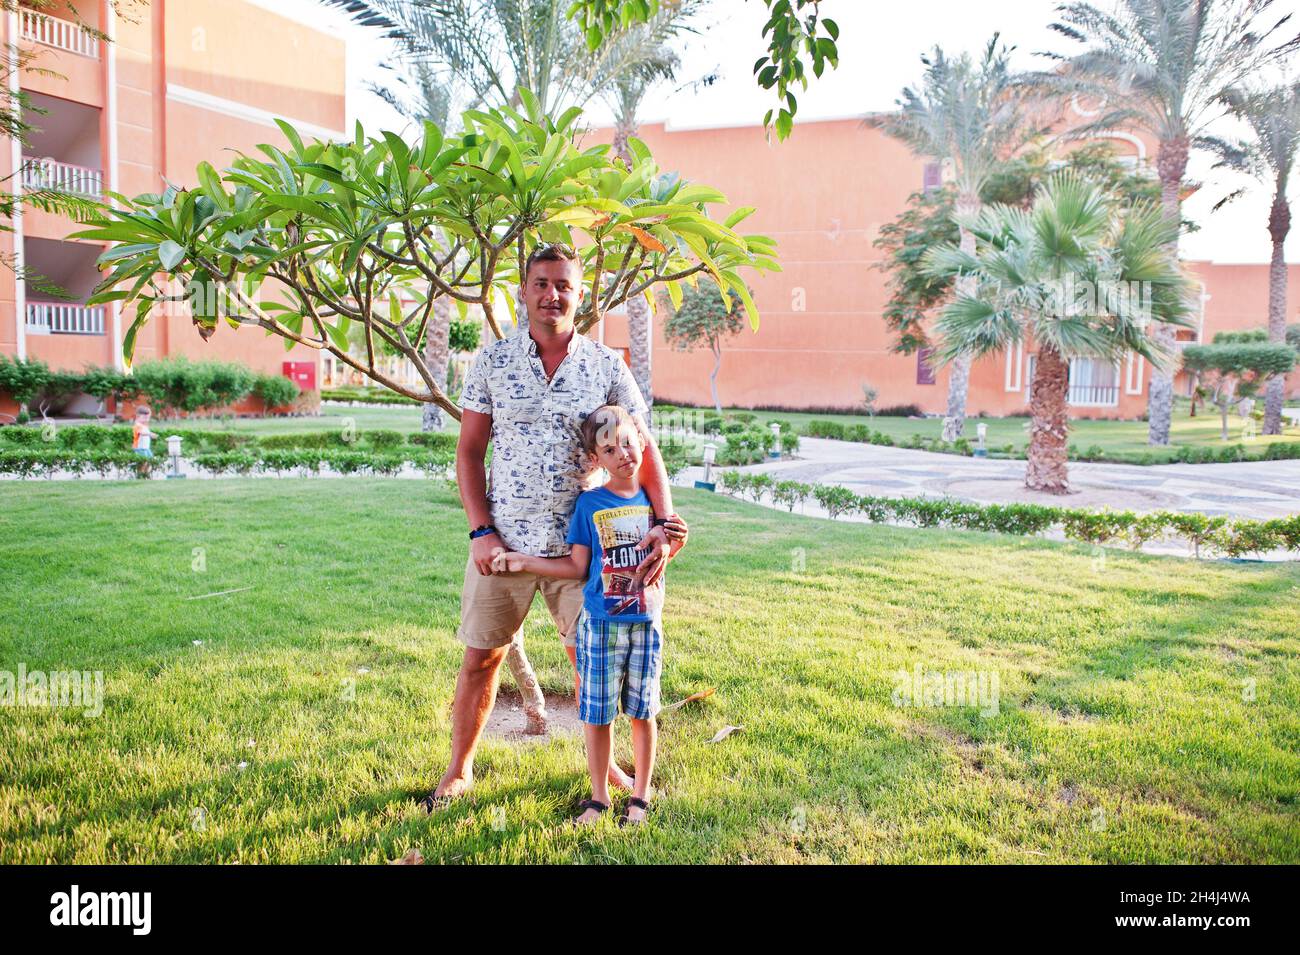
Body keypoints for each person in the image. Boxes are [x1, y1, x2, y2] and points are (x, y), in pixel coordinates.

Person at [423, 243, 688, 808]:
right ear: (523, 291)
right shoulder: (492, 362)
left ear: (579, 293)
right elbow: (470, 452)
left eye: (563, 284)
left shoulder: (606, 367)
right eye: (541, 283)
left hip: (587, 549)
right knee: (481, 656)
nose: (552, 294)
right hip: (505, 545)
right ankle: (459, 768)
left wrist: (663, 524)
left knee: (591, 657)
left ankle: (610, 770)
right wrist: (480, 532)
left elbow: (645, 448)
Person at [492, 404, 682, 825]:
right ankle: (599, 798)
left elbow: (672, 546)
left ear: (642, 442)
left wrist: (671, 539)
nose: (623, 454)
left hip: (646, 625)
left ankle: (640, 795)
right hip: (599, 626)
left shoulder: (657, 504)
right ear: (596, 460)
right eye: (610, 449)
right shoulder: (589, 504)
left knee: (643, 711)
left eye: (629, 443)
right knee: (597, 714)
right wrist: (523, 561)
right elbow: (577, 567)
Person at [131, 406, 156, 475]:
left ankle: (145, 473)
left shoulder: (144, 425)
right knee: (143, 461)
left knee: (150, 460)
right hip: (140, 448)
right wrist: (150, 434)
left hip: (146, 448)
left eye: (148, 418)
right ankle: (141, 474)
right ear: (138, 416)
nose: (146, 420)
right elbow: (141, 433)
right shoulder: (137, 425)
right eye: (144, 418)